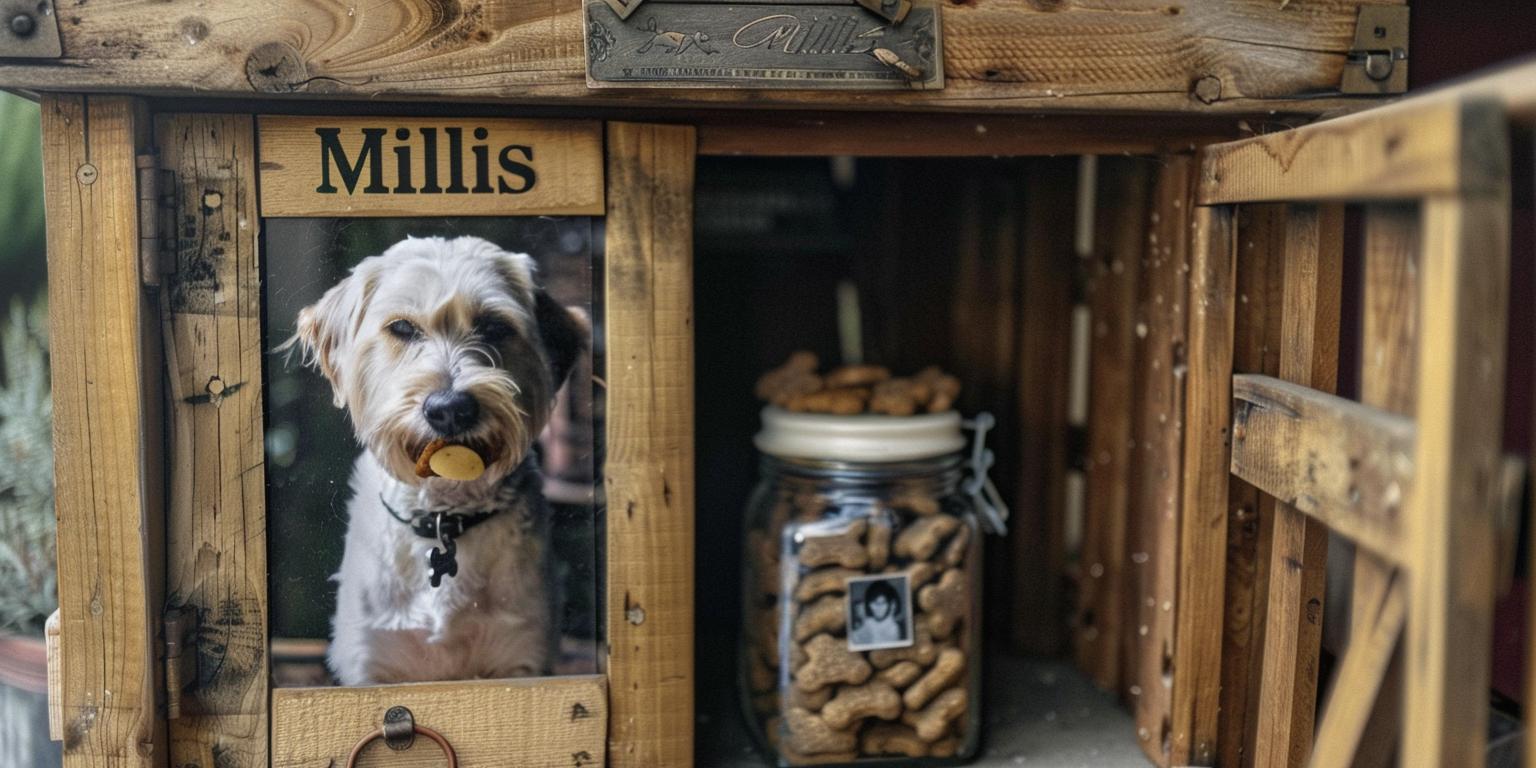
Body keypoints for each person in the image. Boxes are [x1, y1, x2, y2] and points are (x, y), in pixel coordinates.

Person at [849, 578, 907, 648]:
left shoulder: (896, 629)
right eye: (873, 603)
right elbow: (854, 639)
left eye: (882, 603)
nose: (876, 608)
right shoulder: (868, 622)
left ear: (892, 604)